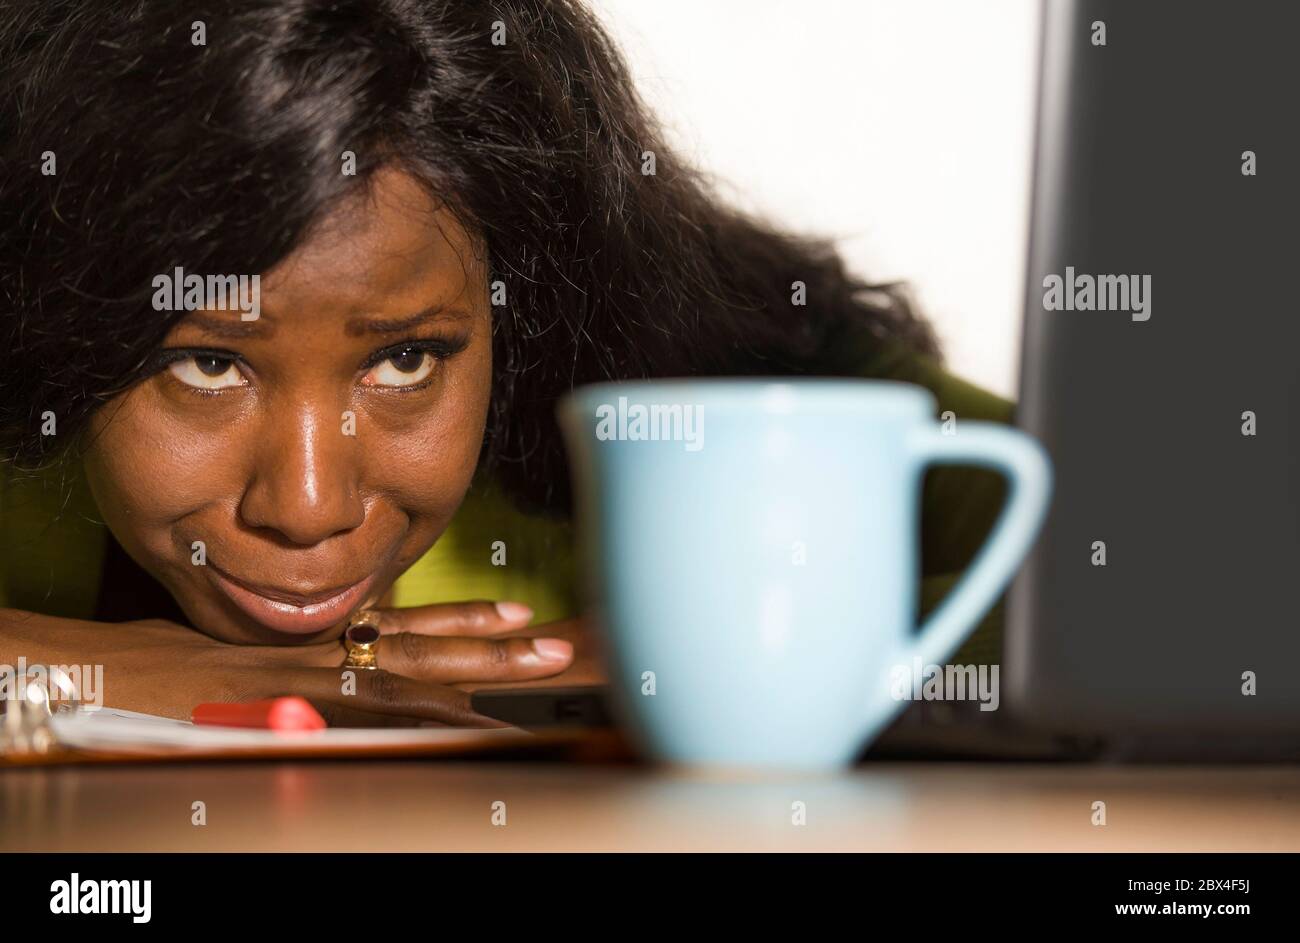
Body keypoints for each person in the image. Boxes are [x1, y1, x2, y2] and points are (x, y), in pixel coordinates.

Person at [0, 0, 1011, 725]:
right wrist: (90, 666)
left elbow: (1135, 568)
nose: (307, 506)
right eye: (209, 366)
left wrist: (752, 641)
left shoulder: (690, 379)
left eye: (404, 358)